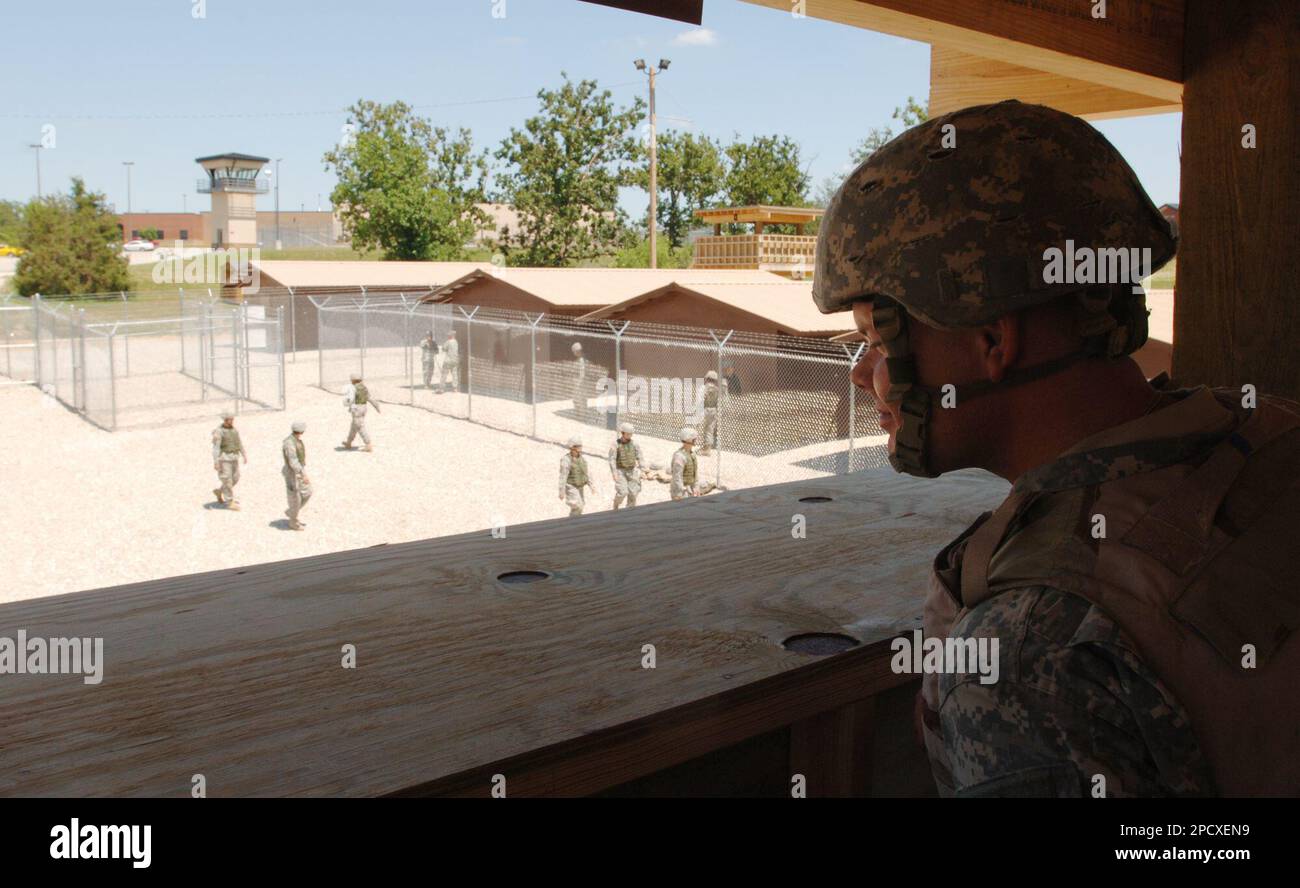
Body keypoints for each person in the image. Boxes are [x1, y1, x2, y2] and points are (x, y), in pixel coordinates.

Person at [812, 98, 1300, 797]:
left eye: (877, 338)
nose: (863, 374)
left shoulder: (1027, 650)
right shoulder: (1269, 432)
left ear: (991, 341)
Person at [211, 410, 247, 510]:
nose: (231, 422)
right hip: (224, 458)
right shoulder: (219, 432)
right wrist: (216, 462)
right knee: (227, 479)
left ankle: (220, 491)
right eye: (229, 420)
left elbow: (238, 442)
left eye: (232, 420)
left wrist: (244, 454)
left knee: (236, 477)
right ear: (225, 421)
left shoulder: (234, 430)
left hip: (234, 457)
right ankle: (229, 501)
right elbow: (216, 448)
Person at [282, 421, 311, 531]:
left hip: (298, 471)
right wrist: (302, 474)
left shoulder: (296, 440)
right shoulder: (289, 443)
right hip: (292, 473)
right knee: (295, 498)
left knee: (308, 491)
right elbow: (293, 462)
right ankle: (293, 522)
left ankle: (292, 512)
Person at [608, 422, 645, 509]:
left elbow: (640, 457)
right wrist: (614, 473)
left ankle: (629, 511)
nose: (630, 436)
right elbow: (612, 459)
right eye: (628, 434)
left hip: (632, 471)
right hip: (621, 471)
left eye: (631, 434)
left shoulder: (634, 444)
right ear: (623, 433)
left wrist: (643, 470)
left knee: (633, 493)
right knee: (622, 492)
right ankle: (616, 504)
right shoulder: (616, 444)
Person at [558, 436, 596, 517]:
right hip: (571, 486)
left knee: (581, 506)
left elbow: (587, 472)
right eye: (578, 446)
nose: (580, 448)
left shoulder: (582, 459)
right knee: (577, 505)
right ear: (572, 447)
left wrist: (591, 485)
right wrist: (561, 491)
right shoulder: (566, 460)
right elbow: (563, 476)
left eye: (580, 446)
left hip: (580, 486)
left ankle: (573, 522)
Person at [341, 372, 379, 451]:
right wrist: (376, 406)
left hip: (356, 411)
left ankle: (368, 444)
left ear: (353, 380)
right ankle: (349, 442)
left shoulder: (352, 388)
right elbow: (369, 398)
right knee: (353, 427)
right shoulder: (364, 388)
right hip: (363, 409)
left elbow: (349, 400)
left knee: (360, 427)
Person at [670, 427, 700, 501]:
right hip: (681, 491)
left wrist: (696, 487)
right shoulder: (679, 456)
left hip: (690, 489)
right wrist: (681, 492)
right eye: (694, 438)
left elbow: (694, 473)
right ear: (688, 439)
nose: (696, 440)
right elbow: (677, 477)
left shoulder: (692, 454)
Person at [698, 370, 723, 456]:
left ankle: (706, 449)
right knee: (710, 429)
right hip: (714, 410)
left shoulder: (704, 388)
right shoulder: (717, 389)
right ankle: (707, 447)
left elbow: (700, 400)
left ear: (707, 378)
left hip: (706, 410)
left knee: (706, 429)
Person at [571, 341, 587, 414]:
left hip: (580, 382)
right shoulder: (580, 359)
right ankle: (579, 411)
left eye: (574, 351)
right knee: (577, 398)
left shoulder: (581, 360)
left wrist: (579, 382)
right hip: (578, 381)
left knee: (579, 398)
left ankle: (581, 412)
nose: (574, 353)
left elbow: (582, 372)